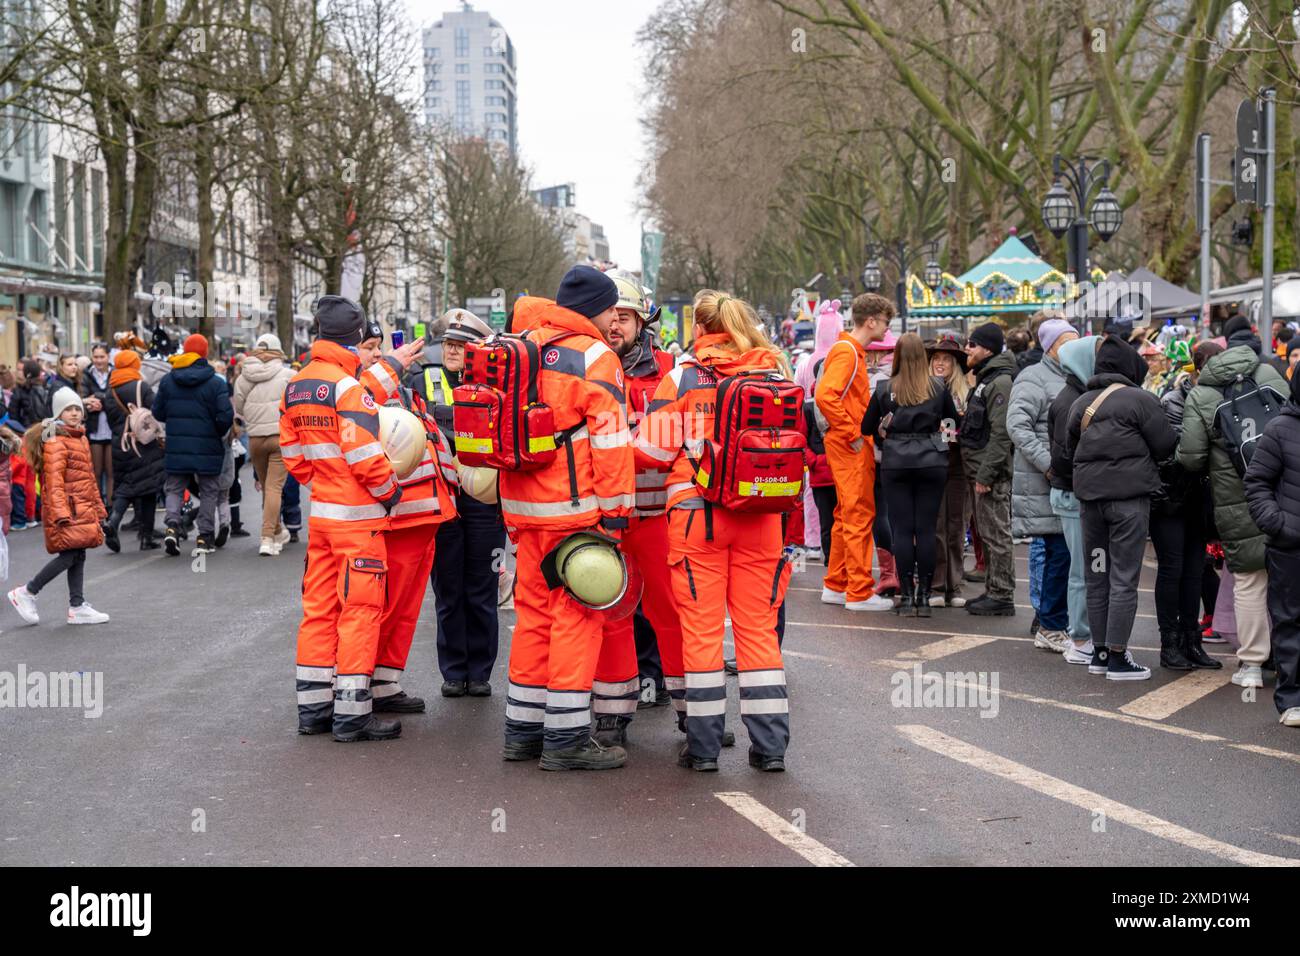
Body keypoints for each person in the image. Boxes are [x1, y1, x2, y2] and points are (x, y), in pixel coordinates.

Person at [635, 289, 793, 772]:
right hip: (762, 515)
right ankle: (770, 750)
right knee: (758, 632)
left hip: (698, 516)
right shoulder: (773, 372)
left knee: (701, 633)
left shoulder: (683, 376)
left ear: (700, 329)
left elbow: (652, 453)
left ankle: (702, 749)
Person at [499, 267, 634, 771]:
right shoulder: (595, 356)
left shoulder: (520, 346)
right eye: (611, 308)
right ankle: (566, 740)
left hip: (521, 509)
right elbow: (611, 442)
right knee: (578, 618)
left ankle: (523, 732)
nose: (614, 318)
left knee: (532, 617)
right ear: (596, 308)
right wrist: (618, 513)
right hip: (574, 511)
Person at [281, 295, 420, 742]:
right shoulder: (347, 388)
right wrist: (391, 492)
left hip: (322, 515)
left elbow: (294, 457)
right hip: (359, 521)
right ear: (357, 336)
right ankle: (353, 714)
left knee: (319, 610)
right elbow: (364, 453)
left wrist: (323, 481)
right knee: (360, 611)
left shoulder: (298, 385)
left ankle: (314, 708)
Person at [591, 275, 685, 746]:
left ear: (641, 320)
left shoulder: (670, 368)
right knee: (610, 611)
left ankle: (695, 713)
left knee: (673, 611)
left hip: (657, 515)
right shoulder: (586, 366)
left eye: (623, 317)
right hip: (604, 517)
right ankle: (612, 715)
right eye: (609, 316)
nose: (614, 326)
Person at [1177, 315, 1289, 691]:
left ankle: (1253, 664)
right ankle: (1289, 659)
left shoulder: (1201, 394)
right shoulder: (1270, 374)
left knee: (1248, 581)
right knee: (1289, 578)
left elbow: (1191, 457)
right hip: (1285, 491)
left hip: (1235, 499)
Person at [1066, 335, 1177, 680]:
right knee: (1124, 578)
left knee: (1097, 576)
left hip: (1091, 506)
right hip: (1128, 504)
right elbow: (1166, 445)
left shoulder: (1080, 403)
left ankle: (1099, 654)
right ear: (1131, 368)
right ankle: (1117, 656)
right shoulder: (1141, 400)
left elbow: (1068, 452)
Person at [423, 308, 506, 698]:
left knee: (481, 588)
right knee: (448, 588)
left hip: (483, 500)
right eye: (449, 344)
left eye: (461, 345)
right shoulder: (421, 380)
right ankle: (454, 671)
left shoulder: (494, 382)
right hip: (441, 496)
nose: (453, 351)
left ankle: (481, 672)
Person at [860, 332, 958, 616]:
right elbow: (952, 422)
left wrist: (884, 433)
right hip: (931, 460)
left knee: (902, 529)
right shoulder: (938, 387)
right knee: (926, 529)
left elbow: (866, 427)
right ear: (923, 358)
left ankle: (905, 597)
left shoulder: (884, 387)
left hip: (896, 461)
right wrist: (941, 444)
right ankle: (925, 598)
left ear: (899, 356)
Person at [814, 293, 893, 611]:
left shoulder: (846, 350)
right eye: (885, 321)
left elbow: (826, 396)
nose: (886, 328)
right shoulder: (848, 353)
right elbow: (825, 396)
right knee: (858, 514)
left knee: (846, 515)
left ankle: (837, 583)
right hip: (849, 445)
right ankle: (858, 591)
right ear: (871, 320)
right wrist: (853, 434)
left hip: (844, 443)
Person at [7, 388, 110, 626]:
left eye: (77, 409)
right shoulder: (56, 441)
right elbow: (53, 482)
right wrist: (61, 512)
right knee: (69, 554)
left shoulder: (79, 437)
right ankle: (28, 591)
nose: (74, 413)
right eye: (68, 409)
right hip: (67, 510)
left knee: (78, 553)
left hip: (81, 507)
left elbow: (89, 479)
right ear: (58, 413)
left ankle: (77, 606)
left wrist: (98, 507)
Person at [1148, 342, 1222, 670]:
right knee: (1172, 569)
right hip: (1170, 498)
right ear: (1198, 368)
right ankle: (1170, 643)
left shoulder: (1221, 400)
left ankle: (1193, 641)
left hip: (1200, 499)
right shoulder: (1173, 401)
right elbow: (1181, 452)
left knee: (1196, 570)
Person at [1007, 316, 1078, 651]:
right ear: (1050, 346)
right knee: (1056, 552)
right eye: (1065, 341)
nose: (1072, 347)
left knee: (1064, 554)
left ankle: (1057, 622)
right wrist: (1049, 464)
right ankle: (1050, 625)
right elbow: (1017, 426)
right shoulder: (1033, 377)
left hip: (1070, 479)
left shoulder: (1076, 376)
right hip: (1045, 481)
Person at [1244, 364, 1300, 727]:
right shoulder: (1280, 428)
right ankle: (1292, 698)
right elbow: (1257, 482)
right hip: (1290, 546)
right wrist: (1277, 524)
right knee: (1289, 621)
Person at [152, 334, 234, 555]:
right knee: (209, 490)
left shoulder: (169, 380)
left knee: (174, 488)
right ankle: (204, 537)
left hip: (177, 444)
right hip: (208, 446)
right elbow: (225, 416)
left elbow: (157, 411)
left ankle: (172, 526)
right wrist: (216, 432)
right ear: (205, 353)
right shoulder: (216, 382)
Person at [961, 322, 1018, 616]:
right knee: (989, 533)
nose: (967, 349)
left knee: (996, 534)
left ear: (987, 349)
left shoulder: (1000, 382)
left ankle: (1002, 595)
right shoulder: (988, 378)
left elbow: (1001, 434)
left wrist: (986, 475)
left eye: (972, 344)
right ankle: (993, 590)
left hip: (991, 475)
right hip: (983, 471)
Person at [1049, 335, 1099, 663]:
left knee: (1082, 567)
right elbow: (1066, 456)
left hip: (1069, 491)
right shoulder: (1073, 399)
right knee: (1081, 570)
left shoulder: (1074, 394)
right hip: (1072, 492)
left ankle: (1083, 634)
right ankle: (1080, 639)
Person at [235, 333, 295, 556]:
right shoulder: (289, 375)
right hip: (280, 437)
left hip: (255, 438)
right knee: (274, 488)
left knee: (267, 488)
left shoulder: (243, 377)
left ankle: (277, 532)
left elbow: (239, 408)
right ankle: (268, 537)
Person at [794, 299, 844, 560]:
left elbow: (797, 397)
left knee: (813, 494)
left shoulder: (804, 363)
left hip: (812, 445)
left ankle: (814, 541)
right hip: (839, 444)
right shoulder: (844, 359)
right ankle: (838, 548)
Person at [102, 350, 165, 552]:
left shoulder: (110, 388)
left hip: (120, 444)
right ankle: (146, 537)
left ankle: (113, 521)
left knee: (125, 486)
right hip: (142, 443)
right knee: (148, 488)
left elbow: (112, 419)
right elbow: (157, 408)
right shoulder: (140, 385)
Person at [927, 335, 970, 607]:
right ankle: (936, 584)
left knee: (956, 525)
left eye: (946, 359)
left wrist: (958, 432)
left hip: (958, 465)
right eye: (937, 359)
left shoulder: (965, 392)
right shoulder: (924, 390)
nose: (941, 363)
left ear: (955, 364)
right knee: (935, 527)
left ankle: (955, 585)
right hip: (931, 463)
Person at [83, 345, 113, 504]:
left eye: (102, 357)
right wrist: (88, 404)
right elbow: (83, 397)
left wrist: (98, 399)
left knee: (111, 471)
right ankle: (97, 507)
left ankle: (110, 508)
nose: (99, 360)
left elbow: (113, 397)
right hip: (94, 429)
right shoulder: (86, 374)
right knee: (96, 471)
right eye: (96, 357)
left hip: (111, 428)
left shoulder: (114, 373)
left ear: (108, 356)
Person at [10, 359, 52, 429]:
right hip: (46, 428)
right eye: (18, 369)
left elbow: (13, 415)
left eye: (21, 370)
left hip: (29, 429)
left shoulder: (20, 390)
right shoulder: (47, 387)